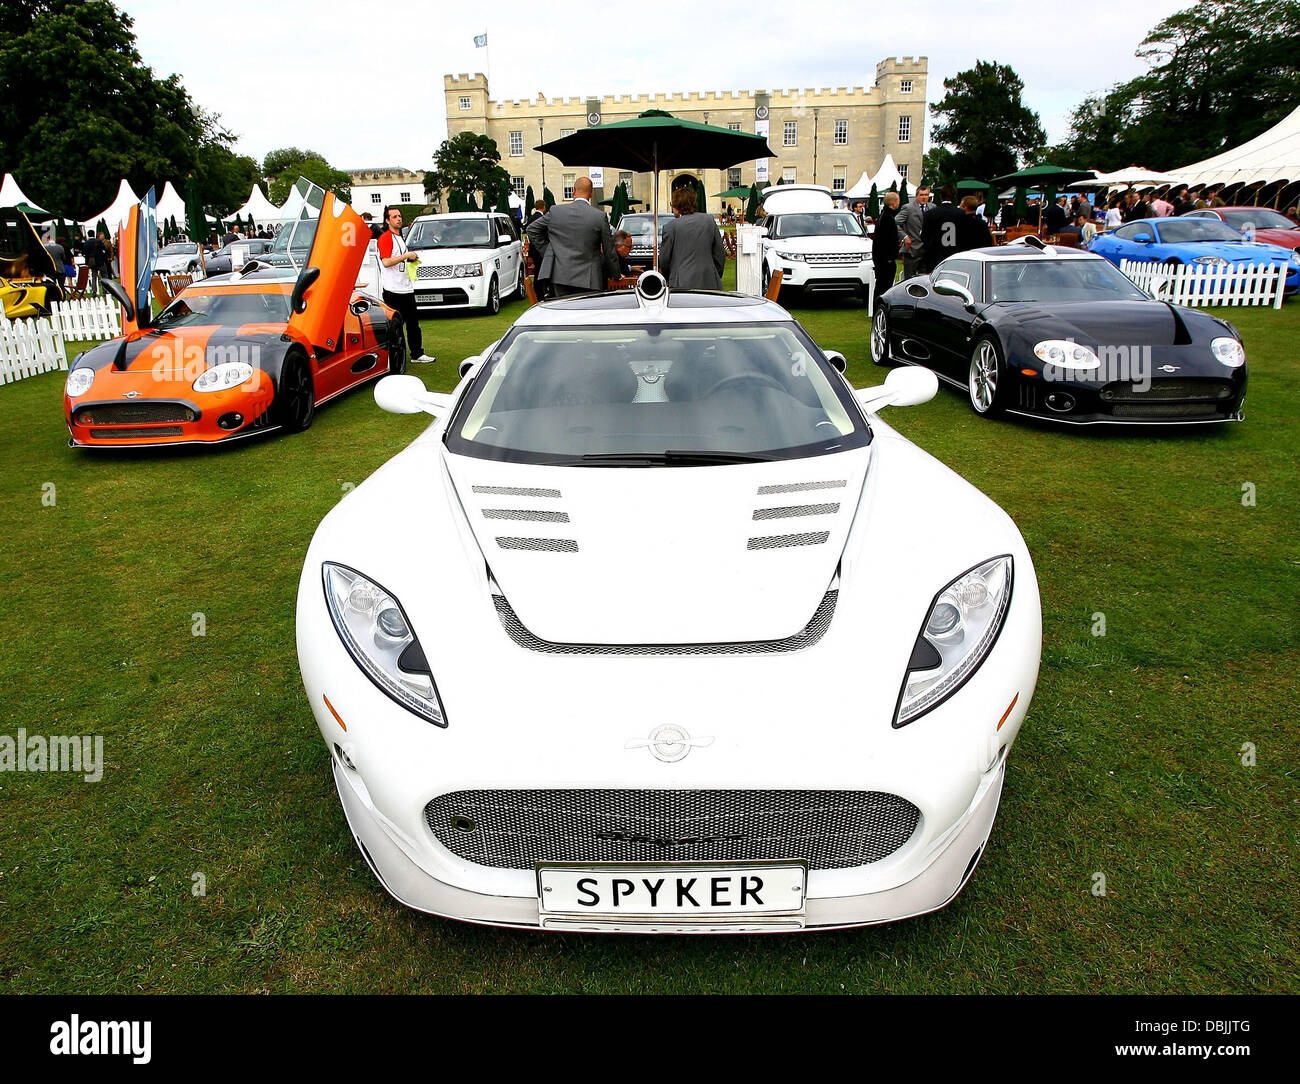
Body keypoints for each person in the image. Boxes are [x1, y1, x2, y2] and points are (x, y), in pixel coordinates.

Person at [525, 177, 619, 297]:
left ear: (574, 191)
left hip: (561, 275)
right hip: (590, 278)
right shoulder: (599, 216)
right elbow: (609, 250)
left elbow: (531, 229)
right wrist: (616, 275)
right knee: (588, 314)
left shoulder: (556, 212)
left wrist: (549, 251)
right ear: (591, 193)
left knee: (565, 313)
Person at [377, 205, 434, 364]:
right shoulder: (386, 238)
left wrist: (410, 258)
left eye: (399, 216)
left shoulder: (400, 237)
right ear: (387, 220)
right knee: (396, 326)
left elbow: (399, 258)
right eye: (394, 217)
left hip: (405, 287)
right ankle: (393, 357)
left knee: (413, 324)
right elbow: (387, 262)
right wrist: (406, 256)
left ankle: (417, 353)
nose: (399, 219)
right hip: (393, 289)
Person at [660, 185, 726, 290]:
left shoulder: (670, 227)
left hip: (680, 283)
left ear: (676, 205)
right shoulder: (709, 221)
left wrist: (670, 277)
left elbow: (664, 260)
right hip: (708, 280)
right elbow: (720, 254)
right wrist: (714, 273)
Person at [921, 185, 963, 272]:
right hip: (954, 254)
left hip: (935, 255)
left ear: (940, 196)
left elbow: (924, 236)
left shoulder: (930, 213)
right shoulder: (961, 213)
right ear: (954, 196)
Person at [895, 184, 931, 279]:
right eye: (922, 195)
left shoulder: (932, 207)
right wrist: (904, 237)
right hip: (912, 249)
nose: (924, 197)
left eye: (926, 195)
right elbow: (894, 223)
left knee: (926, 280)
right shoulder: (908, 208)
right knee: (909, 280)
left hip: (927, 250)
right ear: (917, 196)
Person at [871, 191, 900, 296]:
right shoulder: (888, 218)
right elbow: (888, 239)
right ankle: (880, 307)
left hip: (881, 258)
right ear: (894, 202)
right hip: (886, 260)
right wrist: (890, 257)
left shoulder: (883, 216)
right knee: (884, 287)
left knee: (881, 285)